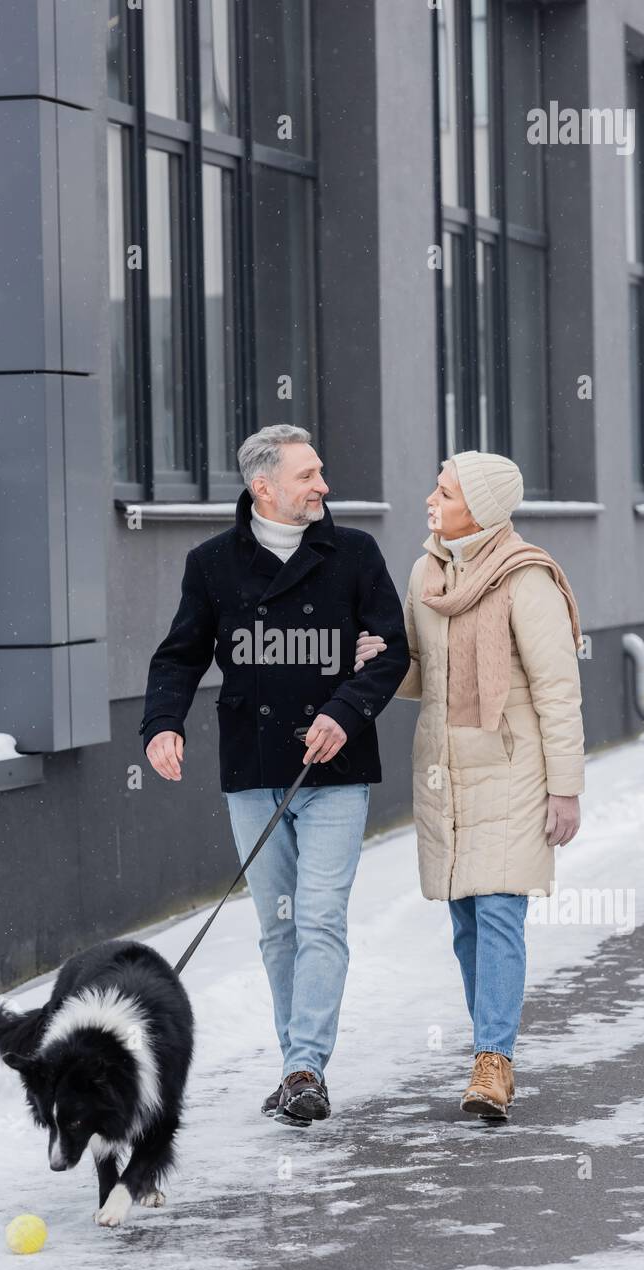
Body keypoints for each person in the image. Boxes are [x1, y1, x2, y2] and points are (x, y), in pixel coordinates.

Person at [142, 424, 411, 1126]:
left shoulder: (354, 553)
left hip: (335, 769)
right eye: (308, 475)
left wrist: (345, 711)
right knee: (277, 927)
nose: (322, 485)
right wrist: (161, 724)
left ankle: (303, 1067)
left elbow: (391, 652)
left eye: (320, 472)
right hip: (254, 769)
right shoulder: (211, 565)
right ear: (264, 487)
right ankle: (297, 1062)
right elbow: (179, 656)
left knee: (319, 918)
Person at [356, 450, 585, 1119]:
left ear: (478, 507)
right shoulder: (427, 571)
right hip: (445, 769)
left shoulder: (526, 577)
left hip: (513, 767)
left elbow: (557, 691)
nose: (430, 499)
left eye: (444, 490)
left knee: (498, 912)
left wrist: (564, 788)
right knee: (464, 921)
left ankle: (492, 1062)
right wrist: (374, 661)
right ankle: (490, 1049)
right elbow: (421, 672)